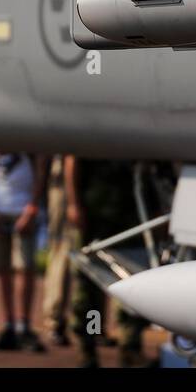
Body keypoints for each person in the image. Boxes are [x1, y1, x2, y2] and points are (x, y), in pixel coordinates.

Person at [66, 155, 149, 367]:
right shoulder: (91, 130)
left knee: (133, 283)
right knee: (91, 289)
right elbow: (72, 159)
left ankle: (130, 346)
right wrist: (74, 203)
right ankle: (89, 347)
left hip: (130, 215)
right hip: (94, 215)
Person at [0, 150, 46, 352]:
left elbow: (41, 169)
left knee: (25, 268)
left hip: (22, 211)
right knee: (1, 270)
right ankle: (8, 324)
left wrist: (32, 207)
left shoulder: (29, 143)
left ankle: (24, 325)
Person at [40, 155, 74, 346]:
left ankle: (94, 325)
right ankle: (55, 320)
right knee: (63, 249)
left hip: (99, 169)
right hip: (66, 167)